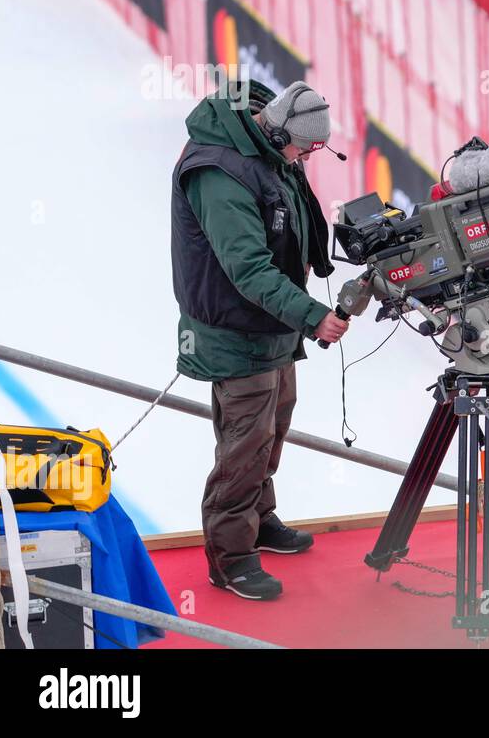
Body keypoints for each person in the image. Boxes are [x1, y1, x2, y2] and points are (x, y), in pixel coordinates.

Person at [171, 80, 349, 601]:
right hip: (235, 329)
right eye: (305, 148)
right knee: (244, 445)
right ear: (277, 130)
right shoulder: (221, 174)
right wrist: (313, 315)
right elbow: (247, 269)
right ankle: (230, 557)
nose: (305, 159)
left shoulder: (268, 148)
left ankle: (257, 518)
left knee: (272, 429)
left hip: (272, 324)